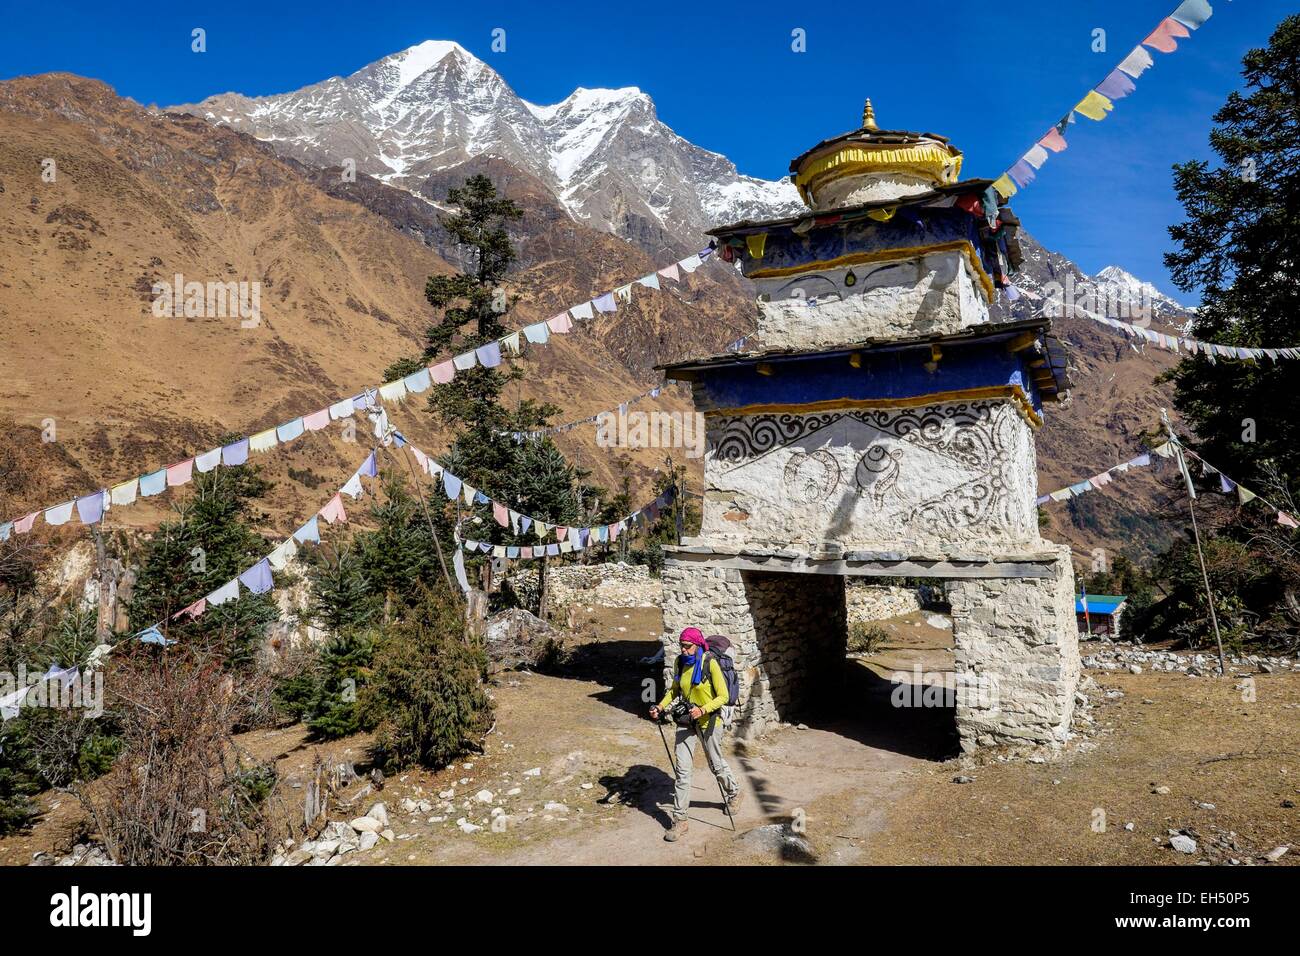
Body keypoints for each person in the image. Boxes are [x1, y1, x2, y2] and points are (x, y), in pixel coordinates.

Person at [649, 627, 742, 841]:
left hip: (709, 720)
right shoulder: (680, 663)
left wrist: (703, 709)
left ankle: (734, 793)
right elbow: (674, 690)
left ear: (698, 645)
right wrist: (660, 707)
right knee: (682, 771)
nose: (684, 650)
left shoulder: (710, 664)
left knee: (715, 764)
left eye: (688, 646)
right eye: (681, 645)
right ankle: (680, 821)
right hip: (686, 720)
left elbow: (724, 696)